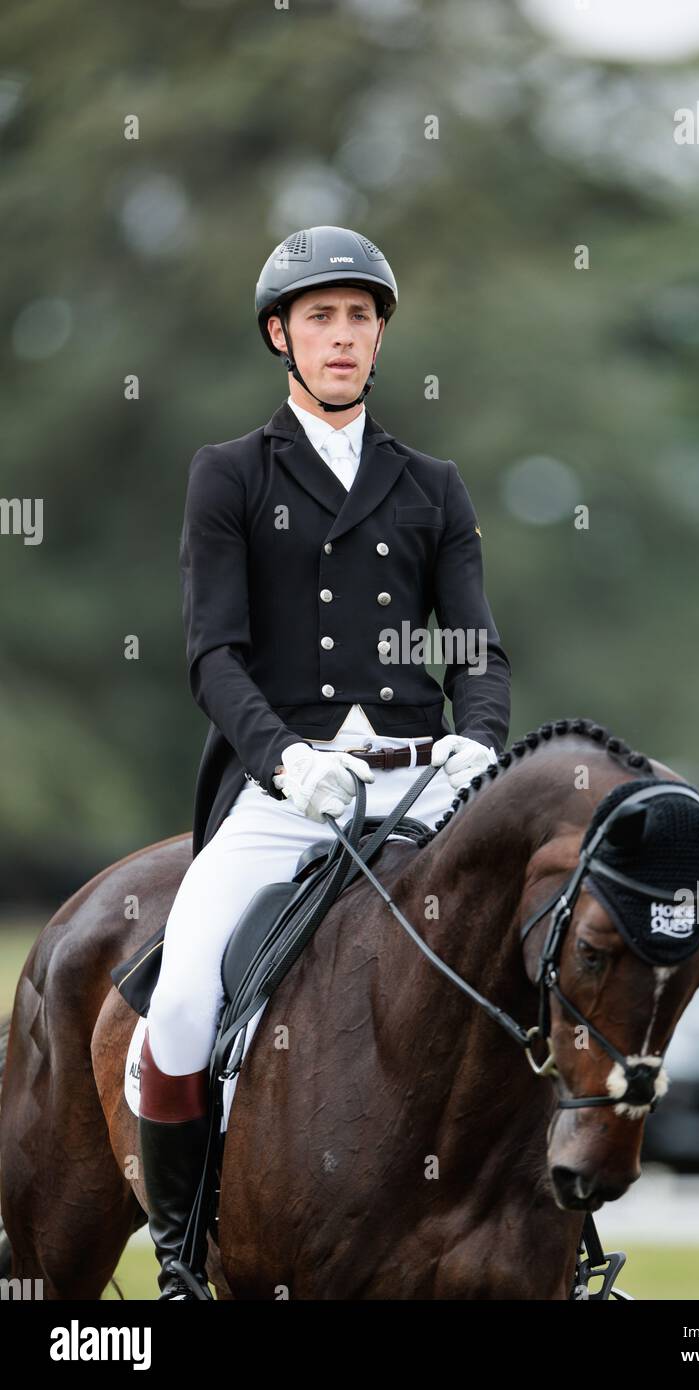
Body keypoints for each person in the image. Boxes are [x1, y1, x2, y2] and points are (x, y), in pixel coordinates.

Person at [138, 225, 512, 1298]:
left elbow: (472, 648)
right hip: (283, 790)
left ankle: (550, 1239)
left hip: (416, 785)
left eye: (358, 317)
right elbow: (213, 655)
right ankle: (179, 1257)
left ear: (380, 336)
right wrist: (287, 761)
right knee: (180, 1004)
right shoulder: (228, 475)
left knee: (520, 973)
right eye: (319, 318)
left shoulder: (431, 485)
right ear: (280, 336)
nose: (341, 337)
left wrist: (475, 749)